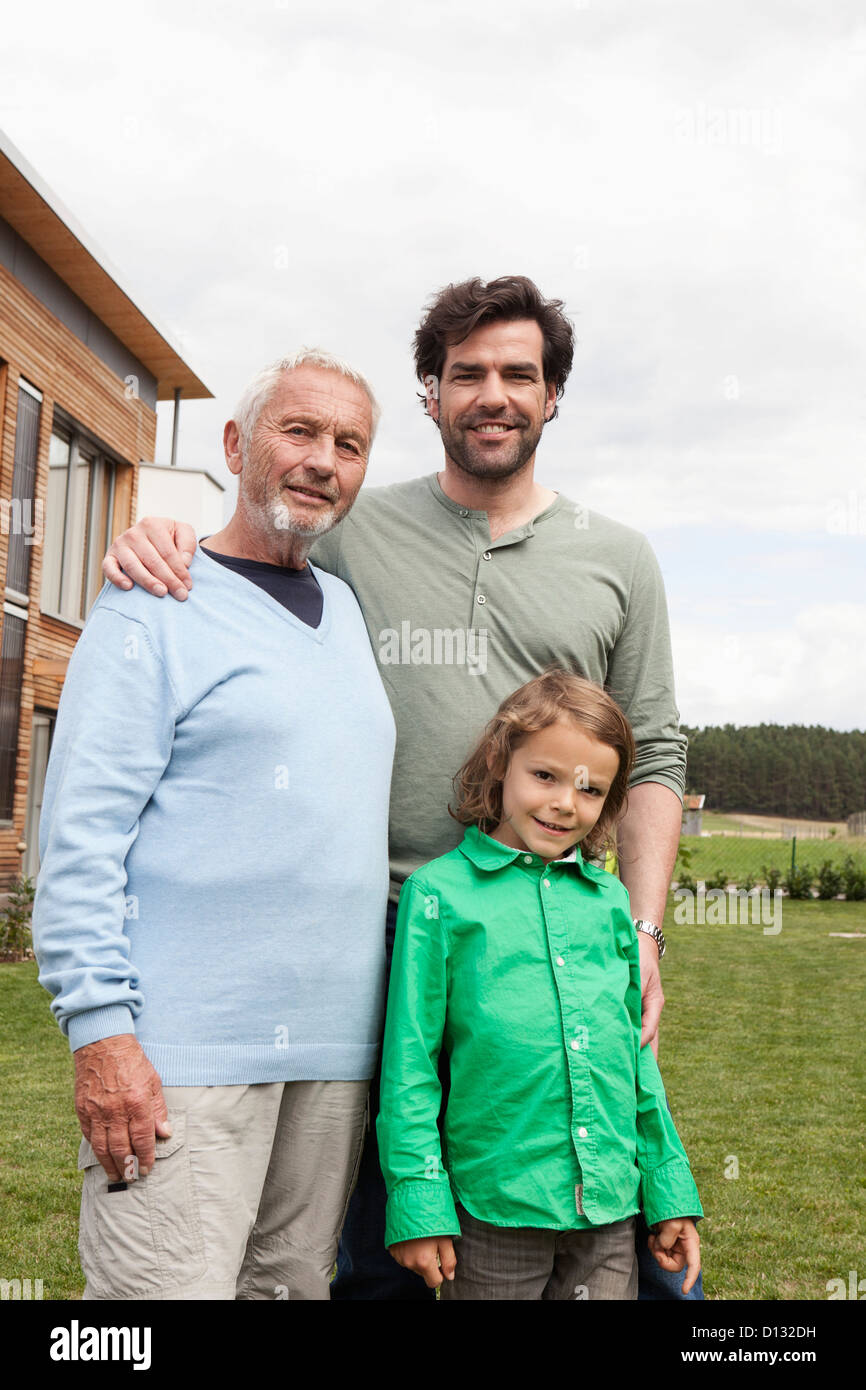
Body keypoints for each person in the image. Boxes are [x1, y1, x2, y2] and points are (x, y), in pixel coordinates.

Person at [101, 275, 699, 1299]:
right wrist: (157, 535)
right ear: (431, 395)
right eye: (464, 374)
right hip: (380, 935)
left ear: (553, 395)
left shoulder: (618, 560)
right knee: (389, 1237)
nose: (492, 393)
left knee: (598, 1207)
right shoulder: (350, 529)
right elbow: (247, 550)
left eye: (519, 373)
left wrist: (639, 934)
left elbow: (652, 756)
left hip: (547, 940)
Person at [32, 350, 396, 1300]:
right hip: (178, 1063)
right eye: (300, 430)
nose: (323, 459)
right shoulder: (154, 599)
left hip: (330, 1068)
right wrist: (102, 1035)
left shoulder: (350, 611)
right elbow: (77, 835)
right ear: (237, 445)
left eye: (349, 444)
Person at [379, 670, 702, 1300]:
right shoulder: (438, 895)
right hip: (494, 1209)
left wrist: (667, 1190)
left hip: (609, 1211)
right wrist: (420, 1201)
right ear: (502, 762)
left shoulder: (612, 901)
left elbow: (634, 1061)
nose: (563, 803)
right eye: (545, 776)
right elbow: (410, 1065)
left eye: (589, 789)